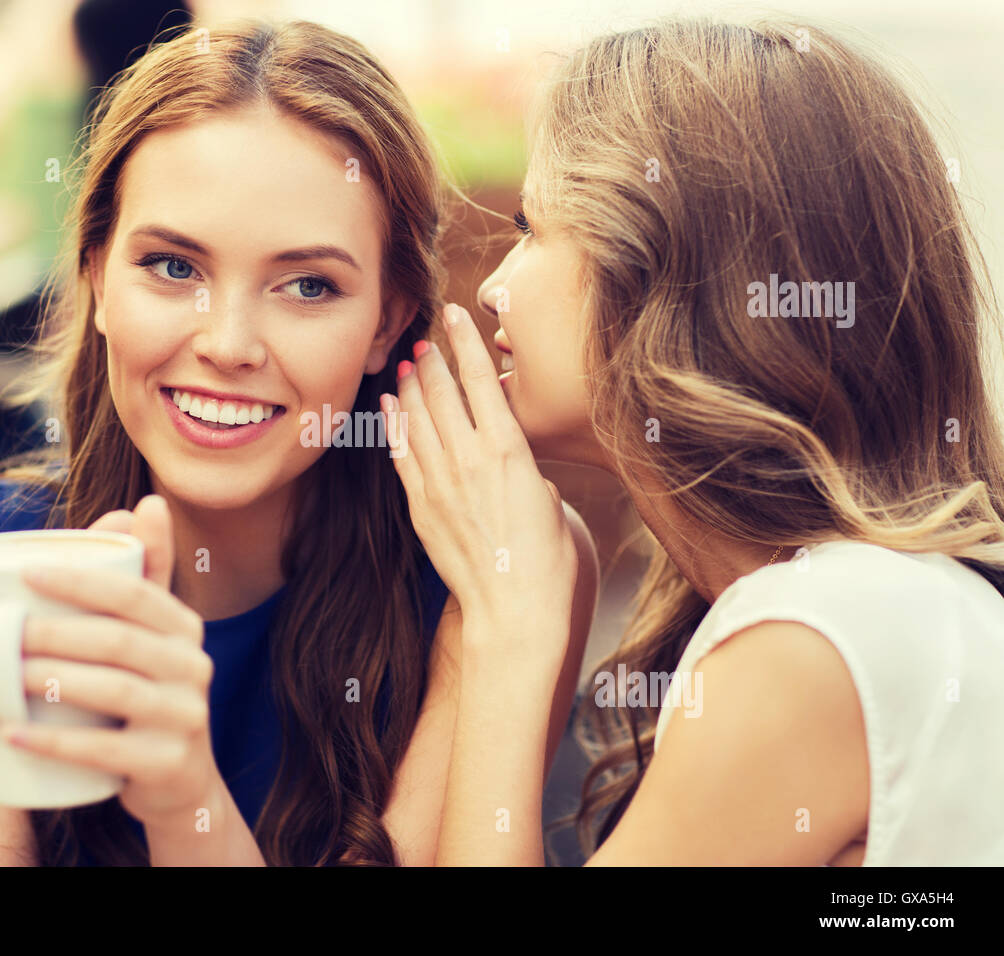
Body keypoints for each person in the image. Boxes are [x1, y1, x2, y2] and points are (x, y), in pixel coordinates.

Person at [0, 19, 597, 866]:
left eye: (308, 285)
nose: (228, 343)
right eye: (174, 267)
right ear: (96, 278)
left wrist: (184, 799)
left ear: (385, 323)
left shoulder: (494, 576)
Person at [385, 18, 1004, 865]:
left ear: (666, 271)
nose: (491, 286)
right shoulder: (878, 605)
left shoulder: (813, 642)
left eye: (532, 226)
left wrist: (504, 625)